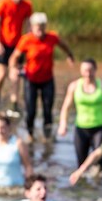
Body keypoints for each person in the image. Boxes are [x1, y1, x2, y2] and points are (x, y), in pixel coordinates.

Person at [8, 12, 76, 141]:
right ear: (32, 27)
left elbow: (64, 45)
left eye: (42, 26)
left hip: (47, 80)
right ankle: (30, 135)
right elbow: (14, 57)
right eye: (37, 26)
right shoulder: (26, 40)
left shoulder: (52, 37)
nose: (39, 29)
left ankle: (48, 137)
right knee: (31, 111)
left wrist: (70, 55)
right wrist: (13, 69)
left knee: (47, 111)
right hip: (31, 80)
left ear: (45, 26)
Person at [58, 58, 102, 171]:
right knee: (81, 164)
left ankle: (98, 184)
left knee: (98, 161)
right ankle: (83, 186)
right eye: (85, 70)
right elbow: (65, 107)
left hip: (99, 128)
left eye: (90, 70)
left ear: (95, 70)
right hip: (81, 129)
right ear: (81, 71)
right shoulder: (74, 86)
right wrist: (63, 124)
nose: (88, 74)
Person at [0, 0, 33, 116]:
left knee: (15, 75)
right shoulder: (3, 4)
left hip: (18, 45)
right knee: (2, 74)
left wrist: (26, 43)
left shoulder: (27, 6)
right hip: (3, 43)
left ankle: (14, 105)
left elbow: (28, 25)